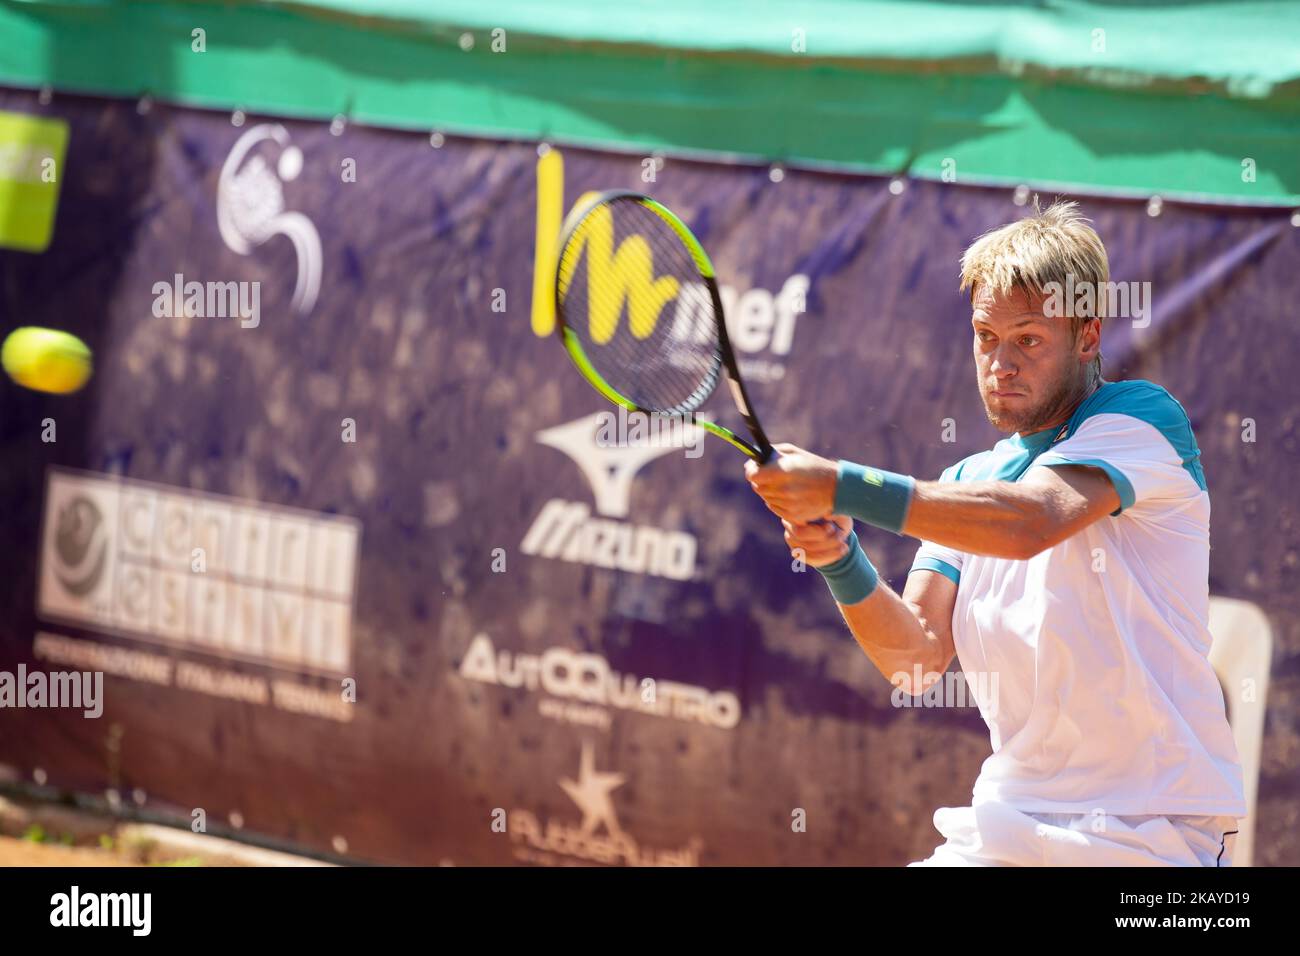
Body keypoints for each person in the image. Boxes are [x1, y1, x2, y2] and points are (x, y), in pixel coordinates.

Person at [745, 199, 1245, 866]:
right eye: (986, 336)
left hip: (1147, 841)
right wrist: (842, 555)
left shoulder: (1143, 421)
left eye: (1029, 339)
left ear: (1088, 337)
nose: (1000, 363)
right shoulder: (971, 479)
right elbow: (916, 660)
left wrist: (842, 486)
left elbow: (1031, 521)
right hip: (1004, 831)